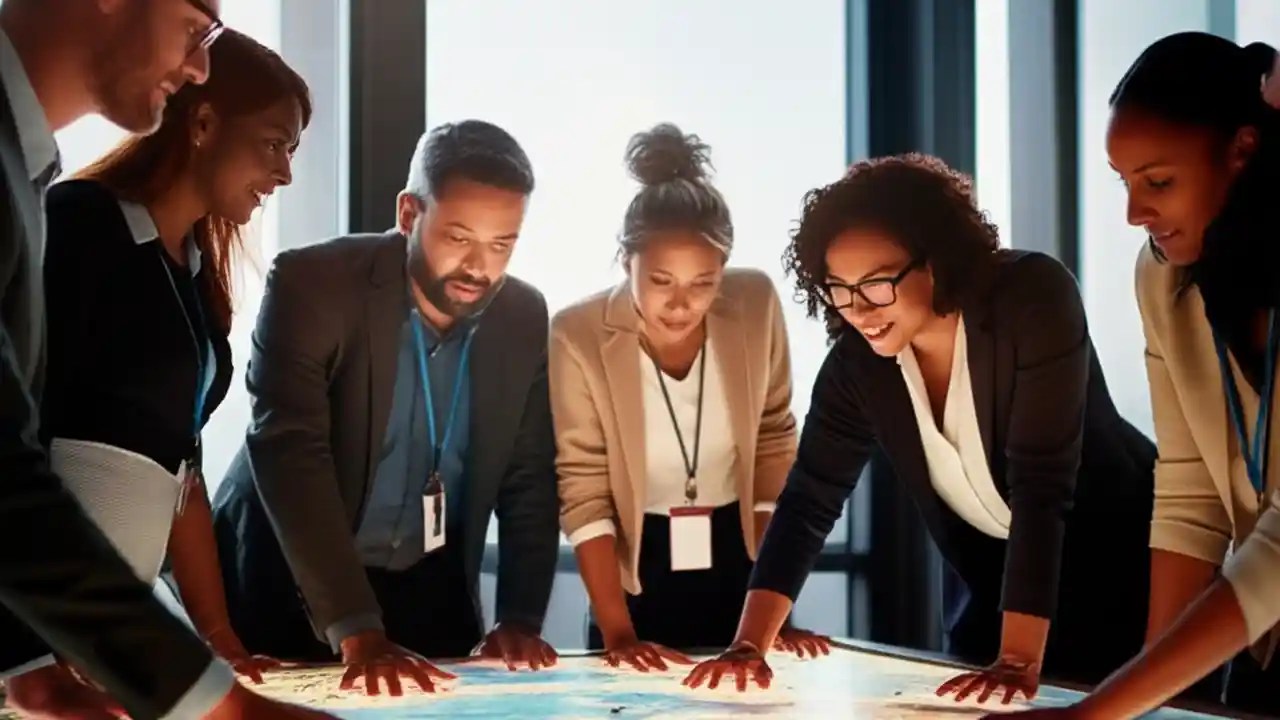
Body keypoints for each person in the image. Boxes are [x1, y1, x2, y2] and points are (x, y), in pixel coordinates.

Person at [682, 154, 1156, 704]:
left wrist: (1018, 659)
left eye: (878, 284)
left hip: (1119, 566)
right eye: (837, 287)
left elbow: (1042, 486)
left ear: (938, 258)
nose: (857, 309)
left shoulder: (1031, 297)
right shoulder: (858, 366)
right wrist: (748, 644)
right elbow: (809, 499)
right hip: (993, 597)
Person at [0, 0, 333, 718]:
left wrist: (216, 641)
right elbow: (12, 455)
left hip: (93, 626)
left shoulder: (193, 280)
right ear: (204, 125)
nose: (283, 174)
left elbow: (181, 471)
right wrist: (31, 650)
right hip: (52, 624)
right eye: (274, 144)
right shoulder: (79, 220)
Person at [212, 119, 561, 695]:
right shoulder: (314, 282)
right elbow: (291, 453)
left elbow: (528, 477)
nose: (480, 266)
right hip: (290, 582)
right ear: (408, 215)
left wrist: (519, 619)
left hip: (428, 588)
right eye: (459, 237)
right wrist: (356, 629)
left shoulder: (522, 315)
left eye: (502, 244)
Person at [549, 123, 829, 670]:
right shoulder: (576, 334)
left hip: (743, 554)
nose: (681, 303)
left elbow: (775, 442)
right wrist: (618, 634)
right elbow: (582, 487)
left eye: (703, 282)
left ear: (724, 269)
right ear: (625, 259)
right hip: (634, 568)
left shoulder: (754, 303)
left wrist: (777, 616)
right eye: (660, 280)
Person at [1082, 31, 1280, 716]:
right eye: (1126, 183)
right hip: (1262, 640)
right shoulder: (1162, 279)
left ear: (1242, 150)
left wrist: (1101, 710)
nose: (1135, 213)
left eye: (1158, 181)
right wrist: (1150, 702)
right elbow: (1191, 493)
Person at [985, 489, 1280, 719]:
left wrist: (1090, 714)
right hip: (1258, 645)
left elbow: (1273, 557)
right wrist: (1148, 699)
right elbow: (1188, 510)